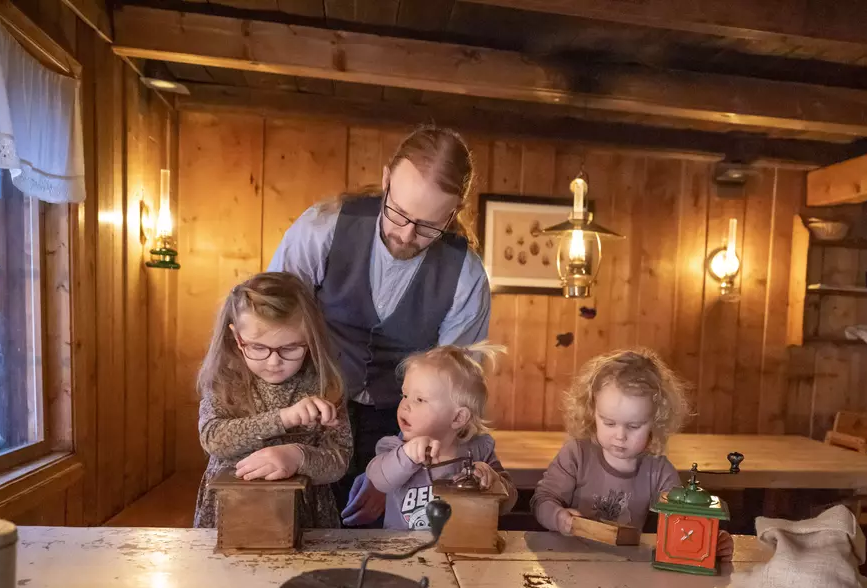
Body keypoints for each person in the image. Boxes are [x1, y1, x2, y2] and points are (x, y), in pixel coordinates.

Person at [267, 125, 491, 524]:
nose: (406, 234)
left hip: (404, 421)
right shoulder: (321, 228)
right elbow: (271, 319)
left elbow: (452, 387)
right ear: (387, 180)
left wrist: (395, 469)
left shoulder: (466, 278)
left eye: (427, 226)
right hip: (311, 406)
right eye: (398, 213)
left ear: (453, 212)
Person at [531, 349, 734, 558]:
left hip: (626, 567)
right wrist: (558, 517)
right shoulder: (576, 454)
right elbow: (542, 501)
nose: (620, 436)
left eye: (634, 426)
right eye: (609, 423)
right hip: (569, 561)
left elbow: (684, 521)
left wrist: (711, 542)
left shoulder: (658, 471)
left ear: (656, 420)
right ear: (592, 412)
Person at [193, 272, 353, 530]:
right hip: (230, 510)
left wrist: (298, 456)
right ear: (237, 338)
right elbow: (214, 439)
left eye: (290, 348)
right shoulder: (224, 381)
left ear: (310, 338)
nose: (274, 361)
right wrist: (283, 419)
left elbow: (339, 460)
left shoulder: (326, 385)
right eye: (258, 348)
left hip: (305, 514)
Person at [364, 343, 516, 530]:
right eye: (404, 395)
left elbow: (508, 503)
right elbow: (378, 480)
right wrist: (406, 456)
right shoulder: (394, 448)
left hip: (462, 546)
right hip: (402, 547)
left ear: (458, 418)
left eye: (420, 399)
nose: (405, 405)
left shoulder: (479, 450)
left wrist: (493, 480)